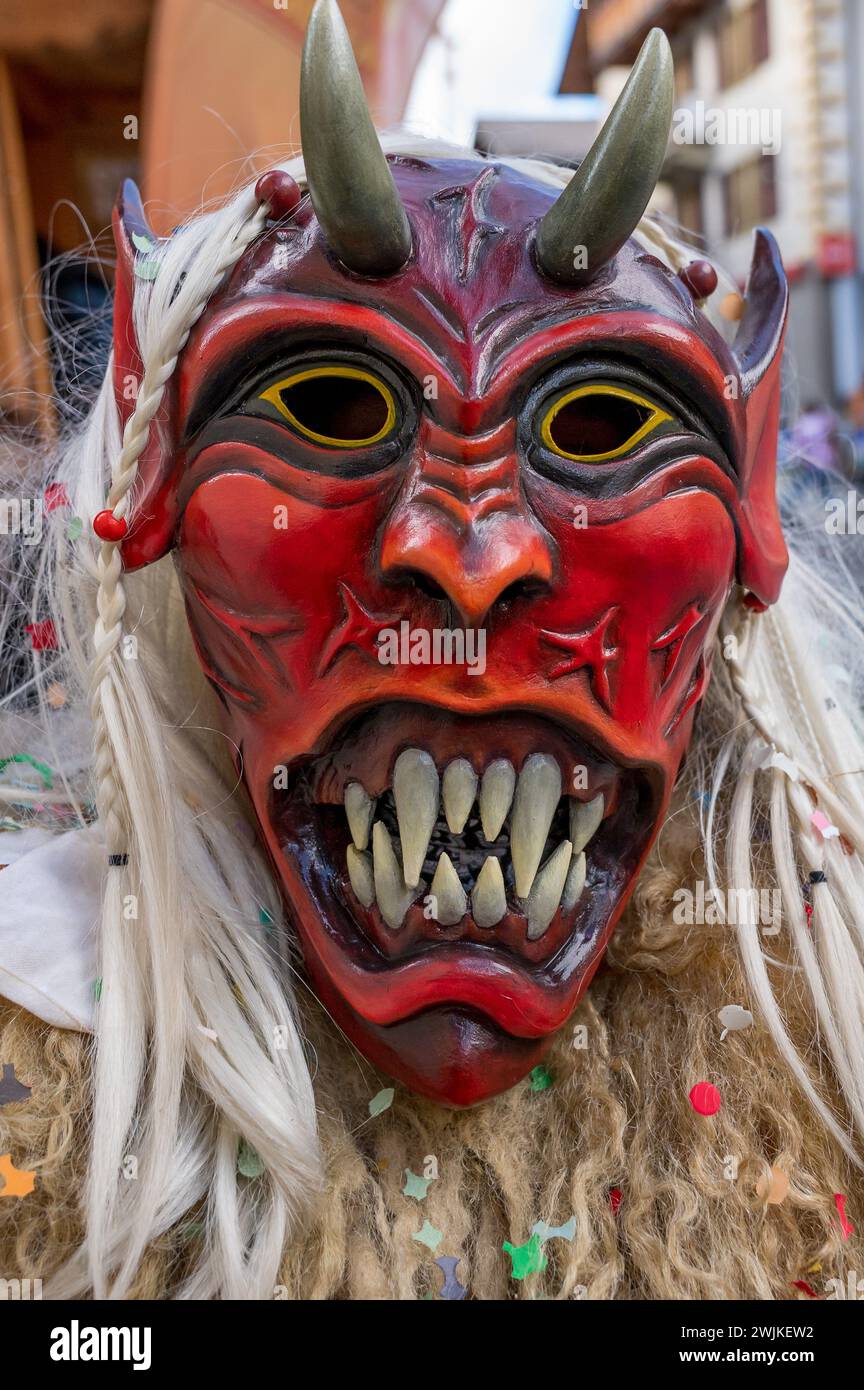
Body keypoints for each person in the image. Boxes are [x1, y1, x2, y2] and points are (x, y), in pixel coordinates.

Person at [1, 1, 862, 1300]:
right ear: (154, 483)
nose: (469, 556)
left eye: (601, 418)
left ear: (746, 525)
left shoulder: (821, 1039)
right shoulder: (42, 1036)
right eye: (331, 402)